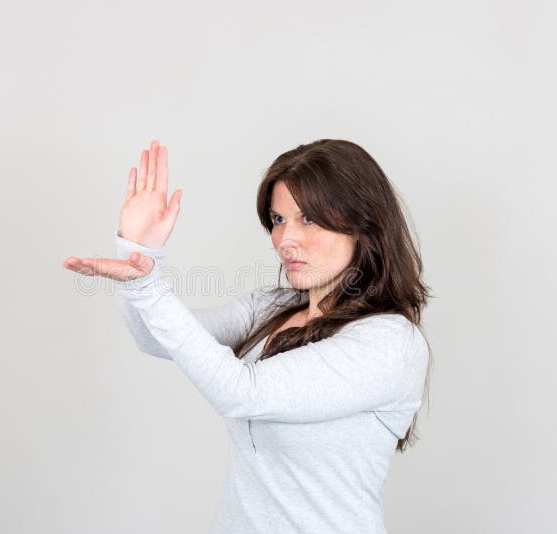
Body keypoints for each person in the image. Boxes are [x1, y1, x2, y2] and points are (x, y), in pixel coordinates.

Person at [62, 139, 433, 534]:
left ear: (364, 223)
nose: (285, 239)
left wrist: (149, 286)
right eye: (277, 220)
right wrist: (139, 250)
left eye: (308, 218)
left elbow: (243, 392)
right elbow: (156, 337)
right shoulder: (274, 308)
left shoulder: (391, 342)